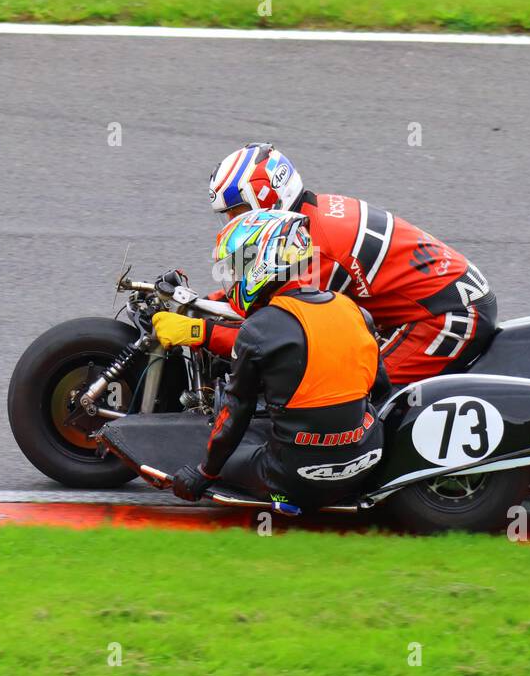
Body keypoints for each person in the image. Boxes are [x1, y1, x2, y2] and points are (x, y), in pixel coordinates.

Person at [154, 142, 497, 384]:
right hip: (429, 299)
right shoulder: (304, 218)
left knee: (358, 391)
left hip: (448, 315)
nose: (231, 219)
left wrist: (200, 331)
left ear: (268, 195)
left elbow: (274, 335)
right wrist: (196, 302)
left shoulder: (317, 246)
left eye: (237, 210)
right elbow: (249, 288)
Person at [160, 210, 389, 509]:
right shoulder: (355, 311)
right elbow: (382, 389)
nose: (232, 277)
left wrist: (205, 472)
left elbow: (235, 414)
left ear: (263, 261)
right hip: (365, 462)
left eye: (237, 266)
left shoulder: (258, 329)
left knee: (211, 442)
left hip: (294, 478)